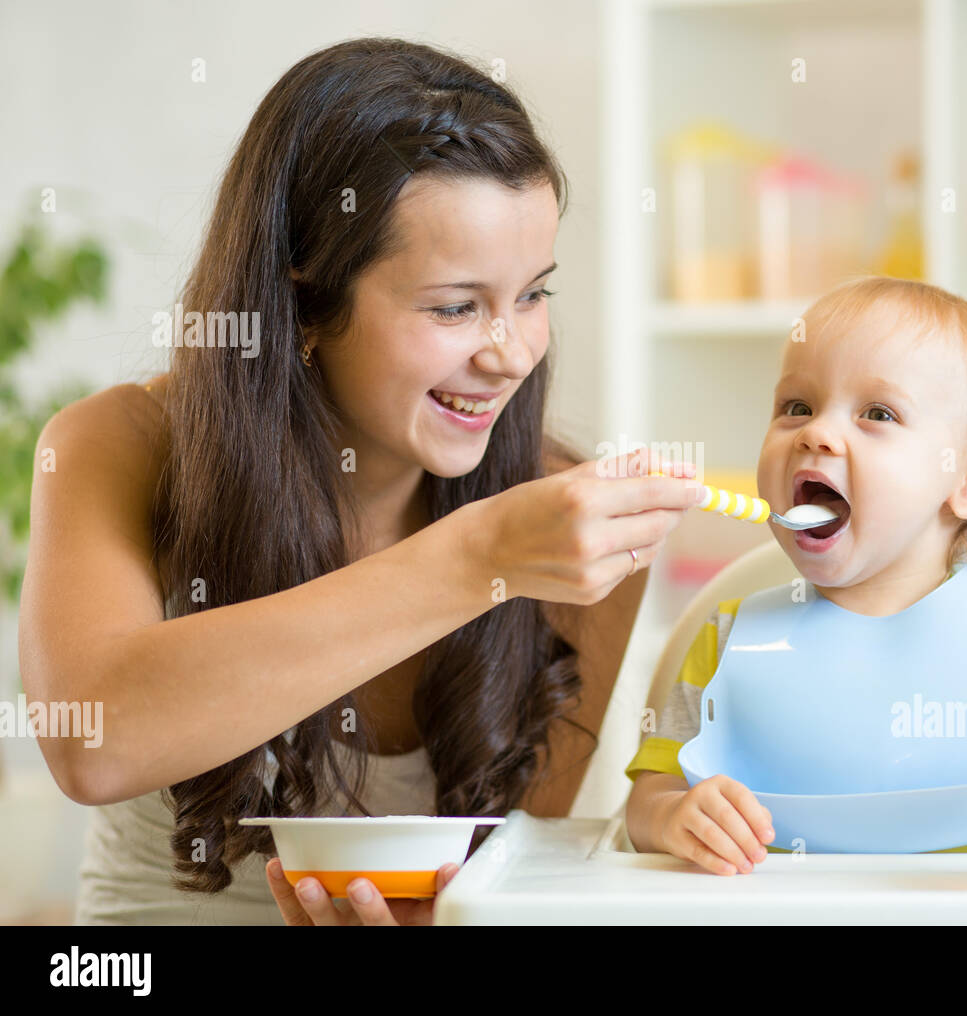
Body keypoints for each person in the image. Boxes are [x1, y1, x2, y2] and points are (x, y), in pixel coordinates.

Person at [19, 37, 700, 925]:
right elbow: (94, 743)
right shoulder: (121, 446)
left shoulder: (569, 536)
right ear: (304, 304)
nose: (512, 356)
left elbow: (512, 881)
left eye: (534, 295)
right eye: (455, 306)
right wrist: (478, 560)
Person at [623, 275, 967, 874]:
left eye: (878, 413)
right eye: (797, 406)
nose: (815, 432)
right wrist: (672, 818)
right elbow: (645, 805)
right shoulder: (728, 641)